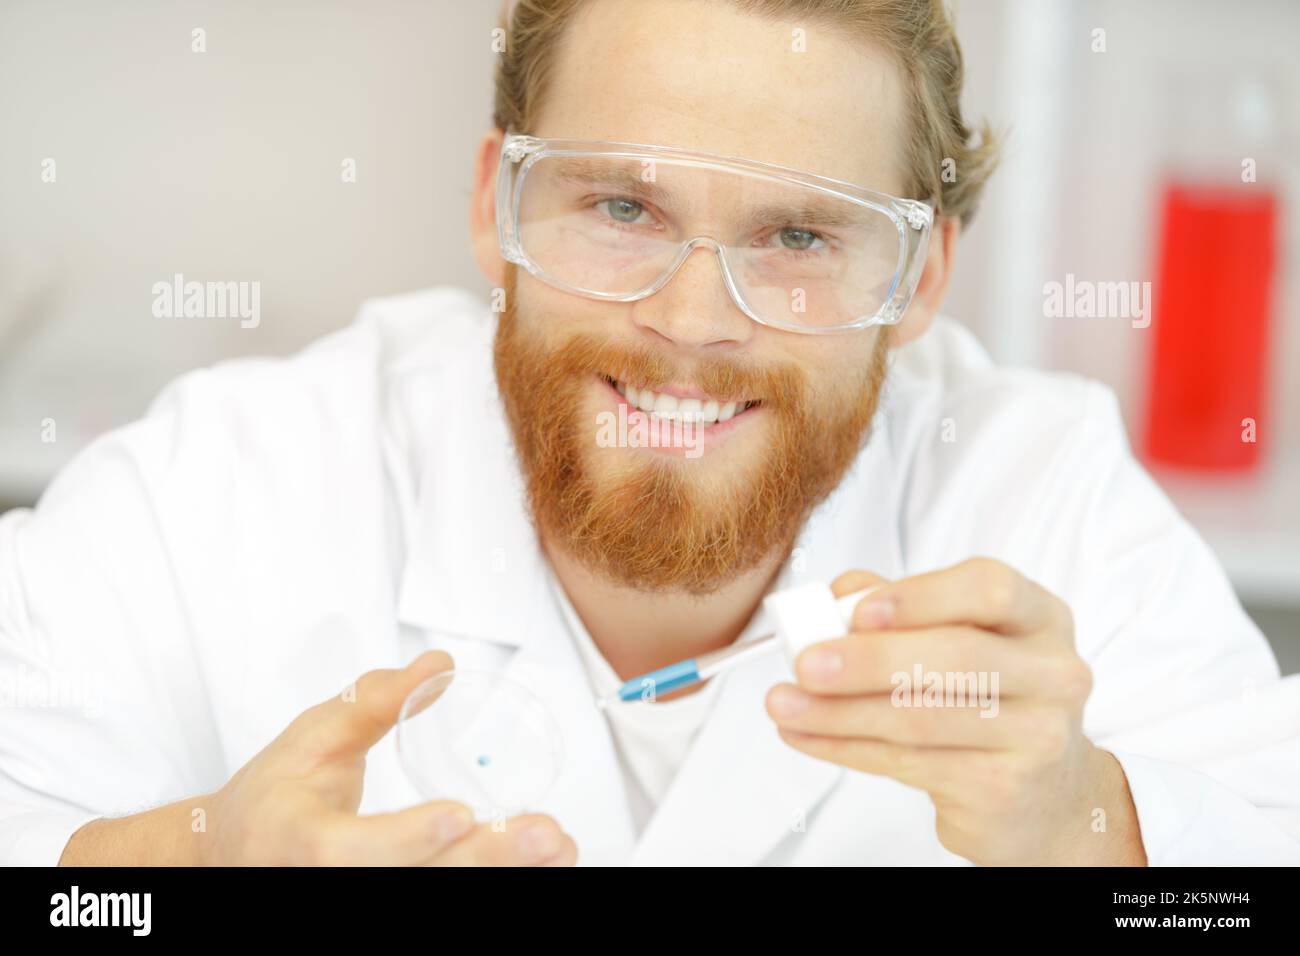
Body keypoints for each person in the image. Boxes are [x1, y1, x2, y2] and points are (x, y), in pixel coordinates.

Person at [2, 0, 1297, 867]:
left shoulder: (1043, 498)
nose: (690, 322)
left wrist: (1091, 823)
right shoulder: (220, 486)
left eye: (799, 236)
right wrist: (186, 862)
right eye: (622, 208)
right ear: (494, 203)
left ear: (922, 279)